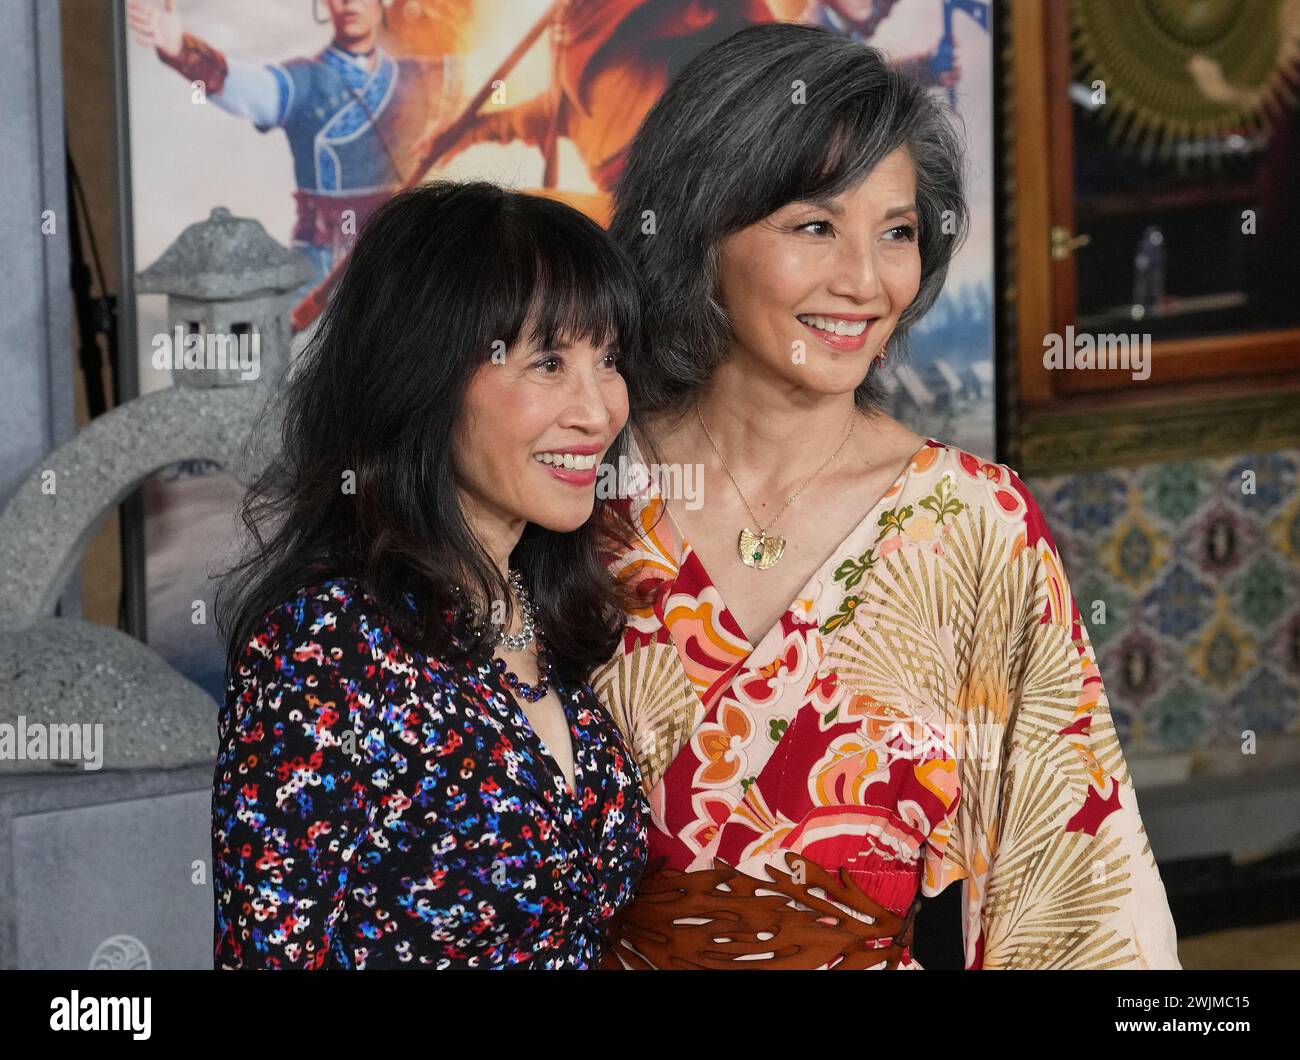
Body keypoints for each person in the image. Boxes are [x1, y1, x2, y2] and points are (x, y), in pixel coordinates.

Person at [592, 22, 1182, 969]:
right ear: (701, 230)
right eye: (814, 226)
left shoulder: (974, 526)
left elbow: (1075, 890)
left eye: (897, 232)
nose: (866, 282)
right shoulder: (580, 492)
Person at [211, 181, 648, 969]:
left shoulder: (539, 606)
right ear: (427, 375)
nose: (599, 409)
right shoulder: (326, 647)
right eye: (549, 361)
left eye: (608, 358)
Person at [127, 0, 464, 299]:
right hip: (322, 263)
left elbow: (484, 70)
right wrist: (182, 51)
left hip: (397, 255)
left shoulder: (417, 76)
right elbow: (253, 90)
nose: (349, 3)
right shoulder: (305, 79)